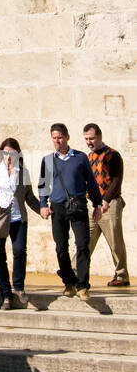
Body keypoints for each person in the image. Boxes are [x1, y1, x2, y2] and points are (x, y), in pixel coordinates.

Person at [38, 124, 103, 300]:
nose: (57, 141)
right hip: (57, 207)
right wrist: (43, 204)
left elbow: (92, 182)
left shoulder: (80, 158)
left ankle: (83, 285)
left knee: (82, 245)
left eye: (60, 137)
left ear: (67, 137)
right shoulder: (48, 160)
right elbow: (43, 185)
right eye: (54, 138)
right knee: (61, 247)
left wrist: (97, 205)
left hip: (78, 205)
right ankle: (69, 282)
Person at [0, 138, 41, 309]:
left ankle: (18, 287)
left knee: (19, 251)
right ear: (1, 153)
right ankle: (6, 295)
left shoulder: (23, 173)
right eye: (5, 153)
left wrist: (42, 209)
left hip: (17, 217)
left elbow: (29, 196)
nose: (8, 157)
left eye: (12, 153)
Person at [84, 123, 130, 286]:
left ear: (100, 136)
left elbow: (117, 180)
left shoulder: (112, 155)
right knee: (85, 240)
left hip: (110, 205)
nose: (89, 142)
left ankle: (121, 275)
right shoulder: (88, 157)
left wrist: (106, 200)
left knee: (115, 241)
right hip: (93, 205)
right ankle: (77, 273)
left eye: (92, 138)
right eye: (86, 139)